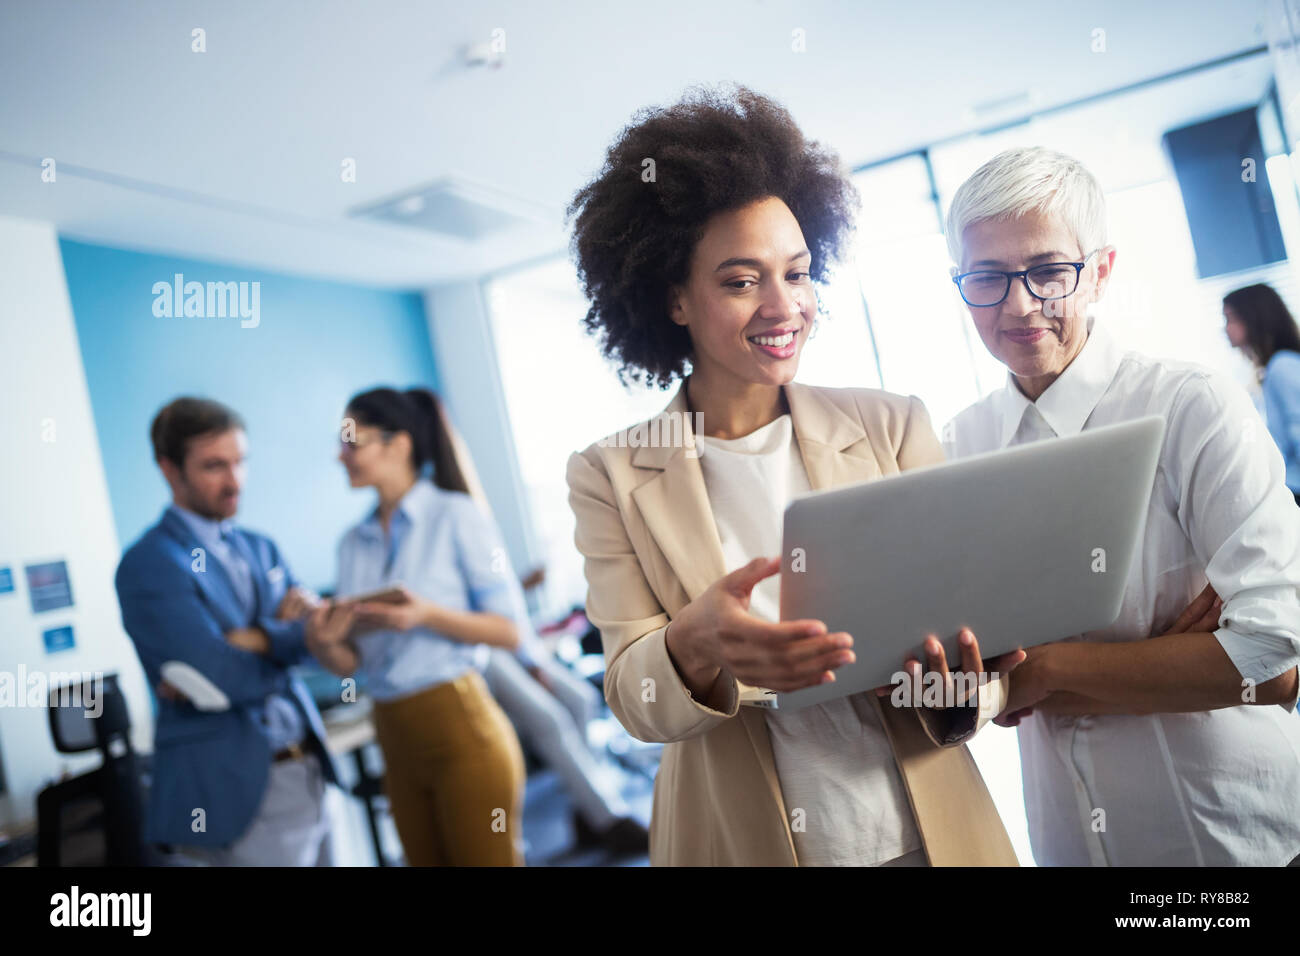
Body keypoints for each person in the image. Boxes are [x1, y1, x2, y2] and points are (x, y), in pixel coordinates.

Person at [564, 84, 1024, 867]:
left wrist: (955, 686)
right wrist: (695, 640)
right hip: (744, 840)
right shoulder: (609, 473)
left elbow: (985, 655)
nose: (785, 307)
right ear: (674, 298)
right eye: (742, 281)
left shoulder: (891, 426)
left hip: (927, 830)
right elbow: (633, 700)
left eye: (798, 273)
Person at [941, 146, 1300, 866]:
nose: (1018, 304)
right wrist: (1168, 659)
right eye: (987, 277)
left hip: (1230, 844)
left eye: (1047, 271)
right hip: (1071, 843)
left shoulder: (1189, 407)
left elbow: (1273, 659)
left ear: (1099, 271)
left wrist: (1049, 671)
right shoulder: (955, 448)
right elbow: (969, 672)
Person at [115, 397, 353, 866]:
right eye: (214, 466)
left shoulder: (259, 548)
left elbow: (321, 641)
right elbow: (220, 680)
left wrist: (259, 639)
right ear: (169, 469)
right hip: (240, 793)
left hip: (309, 769)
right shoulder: (150, 565)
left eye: (240, 462)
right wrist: (286, 635)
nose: (234, 481)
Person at [305, 387, 528, 866]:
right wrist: (325, 644)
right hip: (392, 734)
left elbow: (511, 631)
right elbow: (354, 662)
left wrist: (426, 614)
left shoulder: (455, 516)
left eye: (351, 442)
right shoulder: (352, 544)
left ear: (398, 445)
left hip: (461, 728)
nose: (339, 455)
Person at [1223, 282, 1300, 503]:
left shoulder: (1282, 366)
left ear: (1255, 317)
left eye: (1231, 318)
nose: (1225, 328)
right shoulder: (1267, 371)